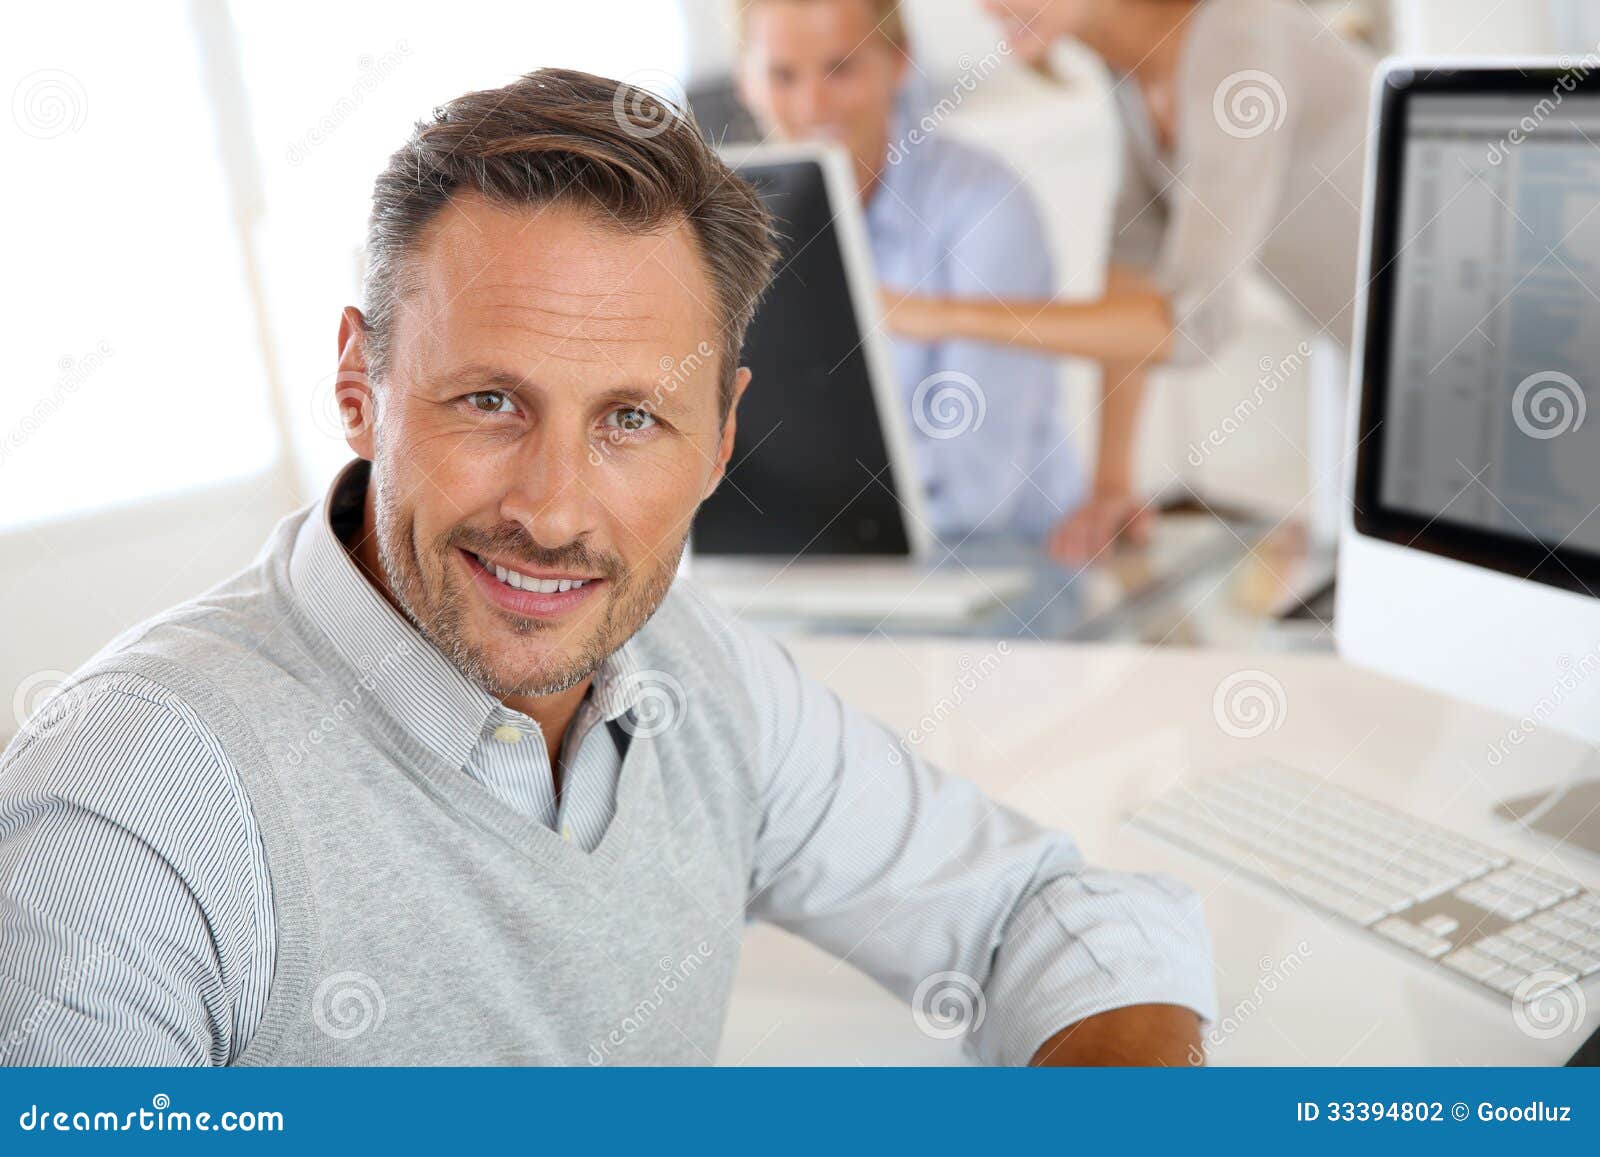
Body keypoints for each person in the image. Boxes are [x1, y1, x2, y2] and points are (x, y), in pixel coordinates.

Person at [0, 69, 1214, 1066]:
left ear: (722, 436)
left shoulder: (700, 677)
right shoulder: (127, 805)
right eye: (489, 400)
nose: (554, 507)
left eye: (631, 417)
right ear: (358, 384)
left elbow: (1036, 914)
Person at [881, 0, 1375, 561]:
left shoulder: (1238, 41)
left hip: (1468, 349)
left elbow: (1194, 323)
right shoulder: (1136, 72)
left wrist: (937, 315)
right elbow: (1132, 268)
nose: (987, 5)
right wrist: (1111, 484)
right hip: (1382, 359)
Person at [736, 0, 1082, 540]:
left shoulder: (984, 203)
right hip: (814, 565)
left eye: (841, 68)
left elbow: (975, 486)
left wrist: (798, 497)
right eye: (782, 75)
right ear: (745, 81)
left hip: (1002, 574)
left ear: (898, 62)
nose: (811, 105)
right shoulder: (727, 227)